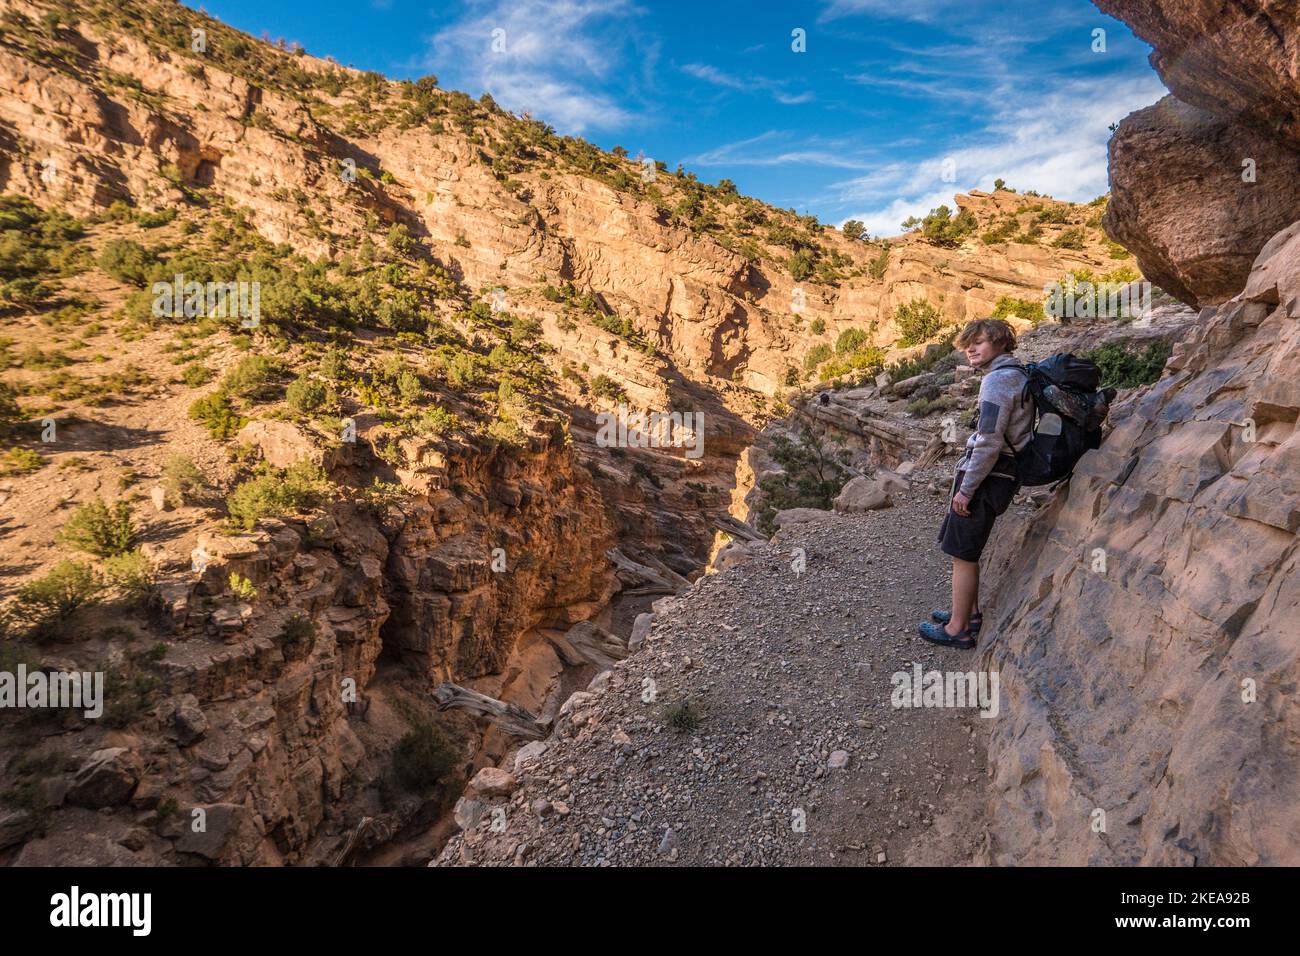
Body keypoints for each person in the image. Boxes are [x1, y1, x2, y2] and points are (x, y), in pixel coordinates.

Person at [919, 318, 1033, 650]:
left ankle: (958, 630)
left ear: (1000, 344)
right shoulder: (1016, 375)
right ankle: (969, 614)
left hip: (989, 476)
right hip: (1001, 474)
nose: (971, 348)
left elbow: (988, 442)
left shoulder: (997, 382)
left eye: (980, 341)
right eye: (969, 341)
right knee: (965, 551)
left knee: (962, 554)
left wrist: (966, 490)